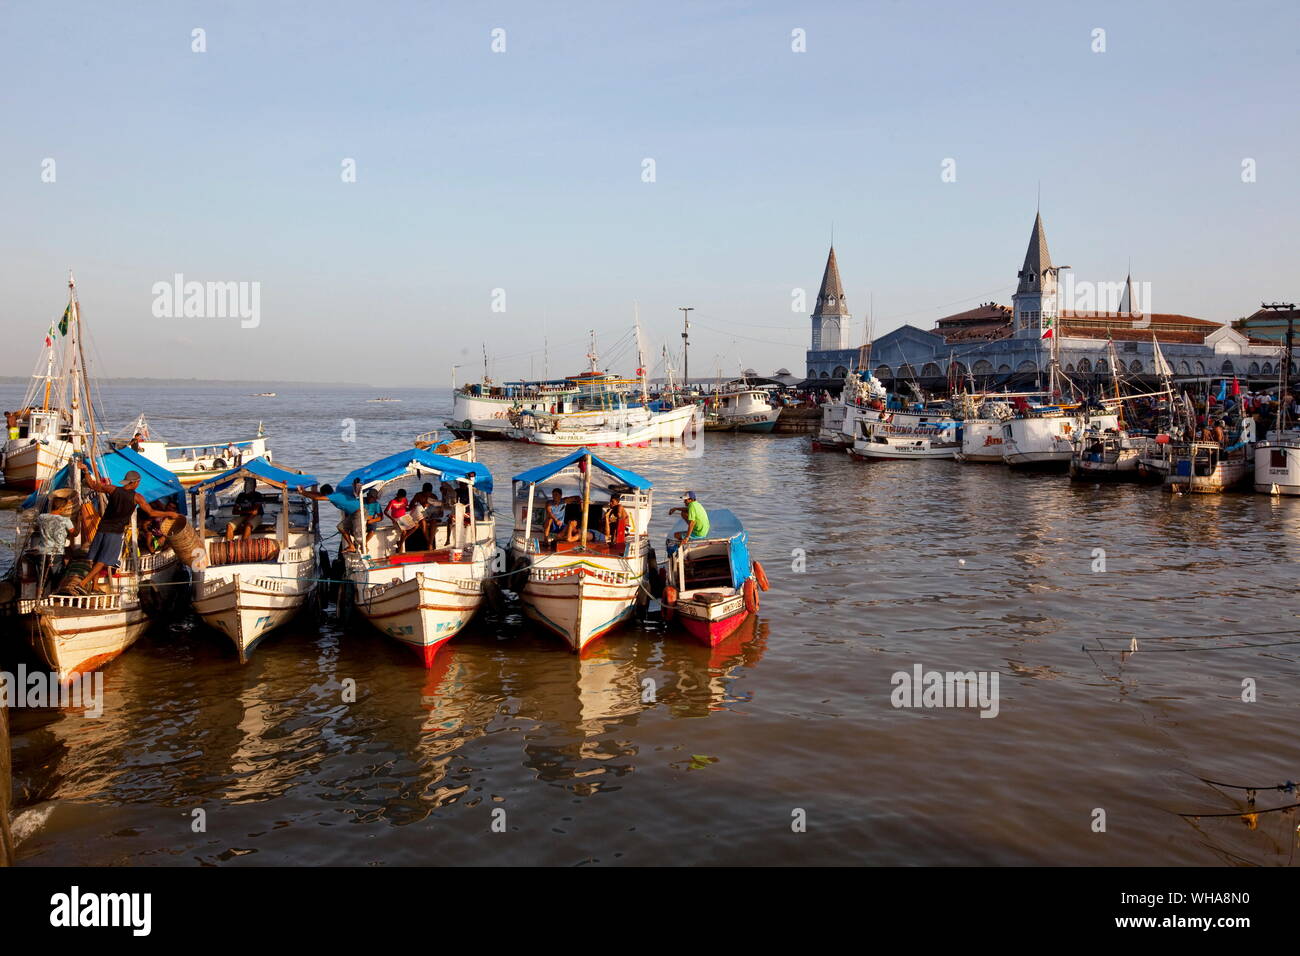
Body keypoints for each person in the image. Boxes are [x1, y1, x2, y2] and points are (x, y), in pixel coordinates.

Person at [72, 461, 179, 594]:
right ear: (134, 483)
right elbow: (151, 512)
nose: (138, 485)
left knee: (98, 557)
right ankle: (83, 583)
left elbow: (93, 485)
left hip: (102, 528)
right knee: (103, 560)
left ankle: (94, 586)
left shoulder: (113, 489)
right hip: (115, 532)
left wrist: (86, 471)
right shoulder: (137, 497)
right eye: (138, 482)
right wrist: (169, 513)